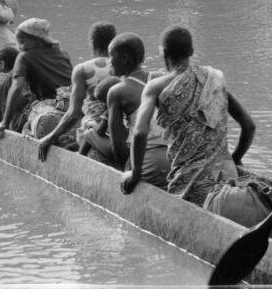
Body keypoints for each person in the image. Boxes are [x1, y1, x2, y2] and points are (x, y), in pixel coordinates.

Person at [121, 25, 256, 205]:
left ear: (163, 53)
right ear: (191, 51)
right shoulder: (214, 79)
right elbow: (249, 126)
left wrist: (135, 174)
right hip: (229, 177)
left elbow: (139, 132)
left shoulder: (156, 86)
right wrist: (234, 158)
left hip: (191, 185)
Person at [37, 22, 117, 161]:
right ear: (114, 42)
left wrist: (50, 137)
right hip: (119, 128)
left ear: (92, 43)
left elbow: (74, 113)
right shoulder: (121, 66)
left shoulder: (83, 69)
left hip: (94, 127)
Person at [100, 33, 170, 188]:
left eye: (111, 56)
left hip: (148, 163)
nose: (109, 62)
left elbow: (117, 145)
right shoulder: (160, 77)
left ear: (124, 59)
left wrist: (127, 171)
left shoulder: (117, 91)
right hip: (175, 159)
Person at [0, 18, 72, 139]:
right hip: (71, 105)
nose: (20, 47)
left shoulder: (24, 57)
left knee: (26, 122)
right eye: (18, 43)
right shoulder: (63, 53)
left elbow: (16, 88)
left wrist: (5, 122)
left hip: (49, 107)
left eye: (22, 42)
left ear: (36, 40)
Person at [78, 76, 121, 159]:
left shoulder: (109, 111)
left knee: (89, 131)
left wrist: (92, 124)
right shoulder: (127, 106)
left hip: (114, 150)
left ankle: (80, 156)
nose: (103, 105)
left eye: (104, 101)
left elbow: (100, 131)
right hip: (127, 146)